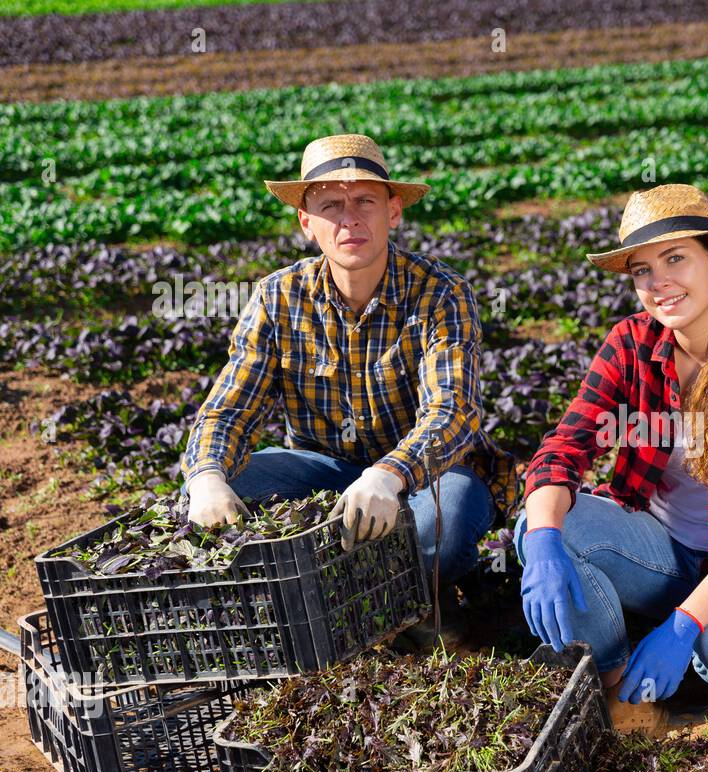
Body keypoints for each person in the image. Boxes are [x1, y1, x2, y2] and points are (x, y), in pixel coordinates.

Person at [180, 133, 518, 650]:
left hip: (431, 476)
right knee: (216, 490)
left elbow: (453, 410)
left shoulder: (439, 293)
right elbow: (228, 410)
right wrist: (206, 475)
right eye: (330, 205)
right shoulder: (278, 298)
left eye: (365, 201)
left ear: (394, 211)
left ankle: (427, 598)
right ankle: (335, 600)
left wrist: (389, 475)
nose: (350, 218)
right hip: (326, 472)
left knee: (433, 534)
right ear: (307, 224)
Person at [514, 184, 708, 732]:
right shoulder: (632, 344)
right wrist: (541, 542)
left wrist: (684, 626)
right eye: (641, 270)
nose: (659, 284)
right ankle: (612, 678)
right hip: (661, 552)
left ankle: (700, 652)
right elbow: (566, 446)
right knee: (550, 524)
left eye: (676, 258)